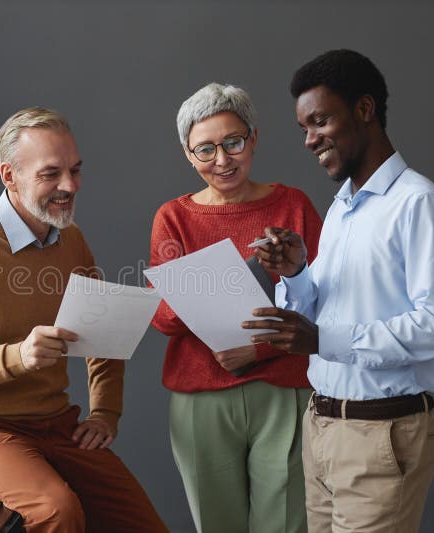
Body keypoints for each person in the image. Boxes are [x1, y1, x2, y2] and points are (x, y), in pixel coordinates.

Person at [0, 107, 167, 533]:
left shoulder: (71, 239)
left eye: (75, 170)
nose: (70, 186)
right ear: (9, 176)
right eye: (51, 174)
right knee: (56, 510)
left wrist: (106, 411)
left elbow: (102, 329)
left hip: (55, 423)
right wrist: (18, 357)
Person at [244, 49, 434, 532]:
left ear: (364, 110)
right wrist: (297, 273)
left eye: (320, 121)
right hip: (322, 427)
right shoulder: (343, 208)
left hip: (382, 435)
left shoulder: (421, 204)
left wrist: (322, 341)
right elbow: (324, 308)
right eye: (304, 127)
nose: (309, 140)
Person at [148, 82, 322, 533]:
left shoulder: (293, 205)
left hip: (285, 387)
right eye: (205, 149)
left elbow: (325, 302)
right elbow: (163, 317)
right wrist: (233, 280)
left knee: (284, 523)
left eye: (233, 142)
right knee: (217, 524)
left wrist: (257, 349)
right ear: (188, 154)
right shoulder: (174, 217)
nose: (221, 160)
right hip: (200, 399)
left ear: (254, 138)